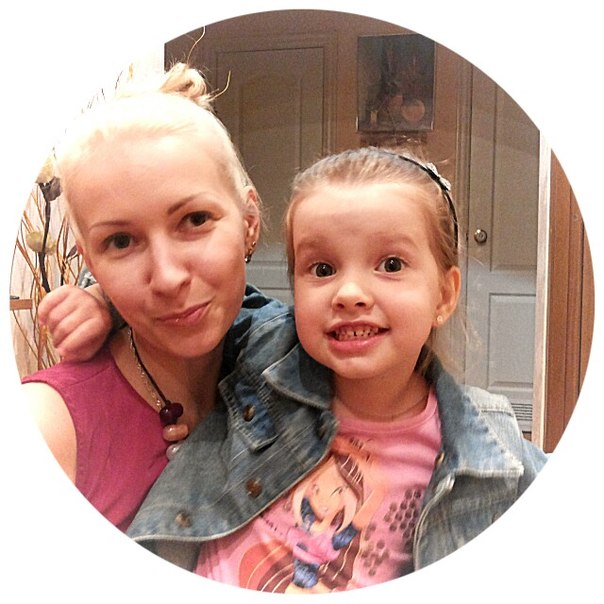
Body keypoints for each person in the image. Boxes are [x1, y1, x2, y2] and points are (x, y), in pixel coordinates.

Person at [50, 146, 547, 591]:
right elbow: (197, 303)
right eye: (322, 269)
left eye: (391, 265)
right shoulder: (269, 348)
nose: (349, 293)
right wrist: (102, 302)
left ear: (444, 294)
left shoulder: (488, 450)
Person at [20, 62, 269, 532]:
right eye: (120, 242)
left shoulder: (292, 375)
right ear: (91, 265)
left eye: (194, 220)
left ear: (248, 223)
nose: (168, 277)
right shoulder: (48, 425)